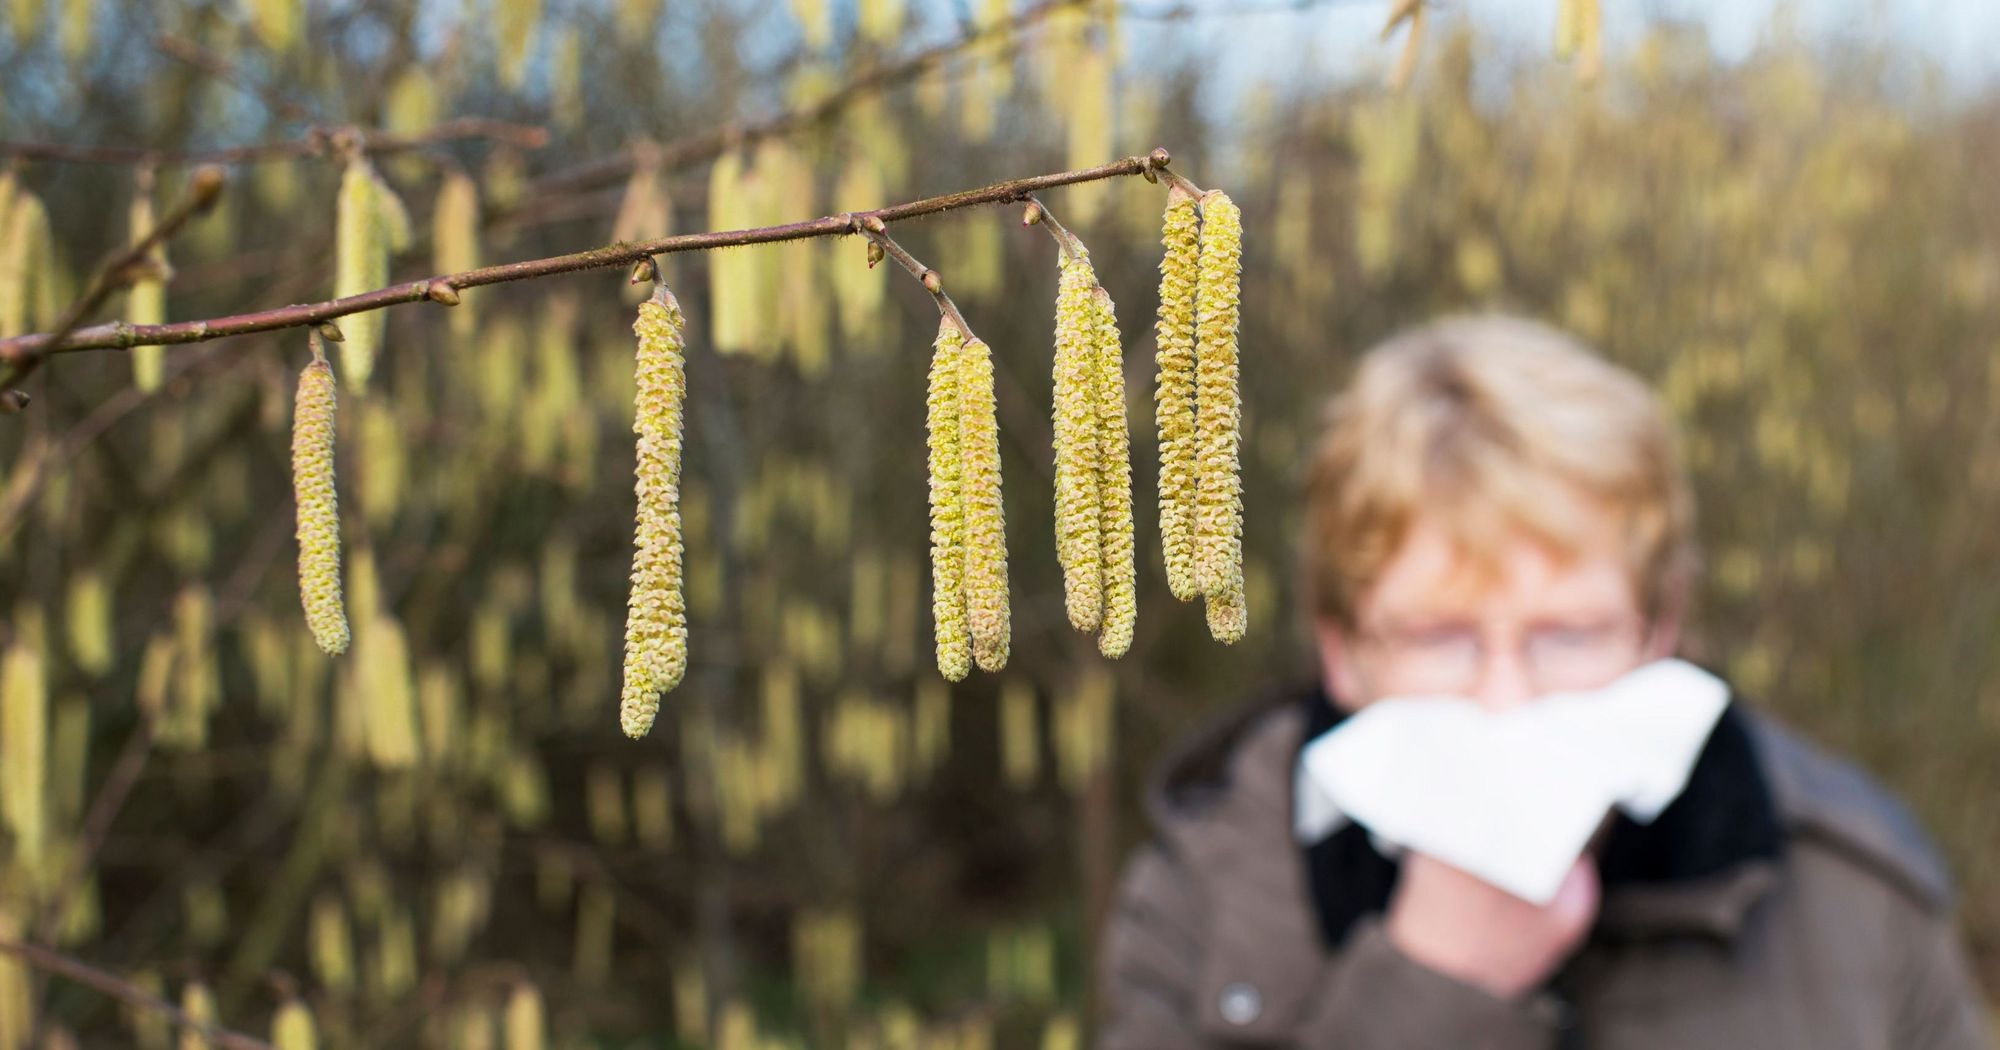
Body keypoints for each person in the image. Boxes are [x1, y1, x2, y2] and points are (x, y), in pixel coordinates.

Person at [1094, 316, 1996, 1049]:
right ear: (1344, 651)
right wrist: (1431, 989)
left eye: (1566, 636)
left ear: (1658, 631)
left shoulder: (1853, 888)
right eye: (1441, 638)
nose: (1506, 700)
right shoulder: (1204, 892)